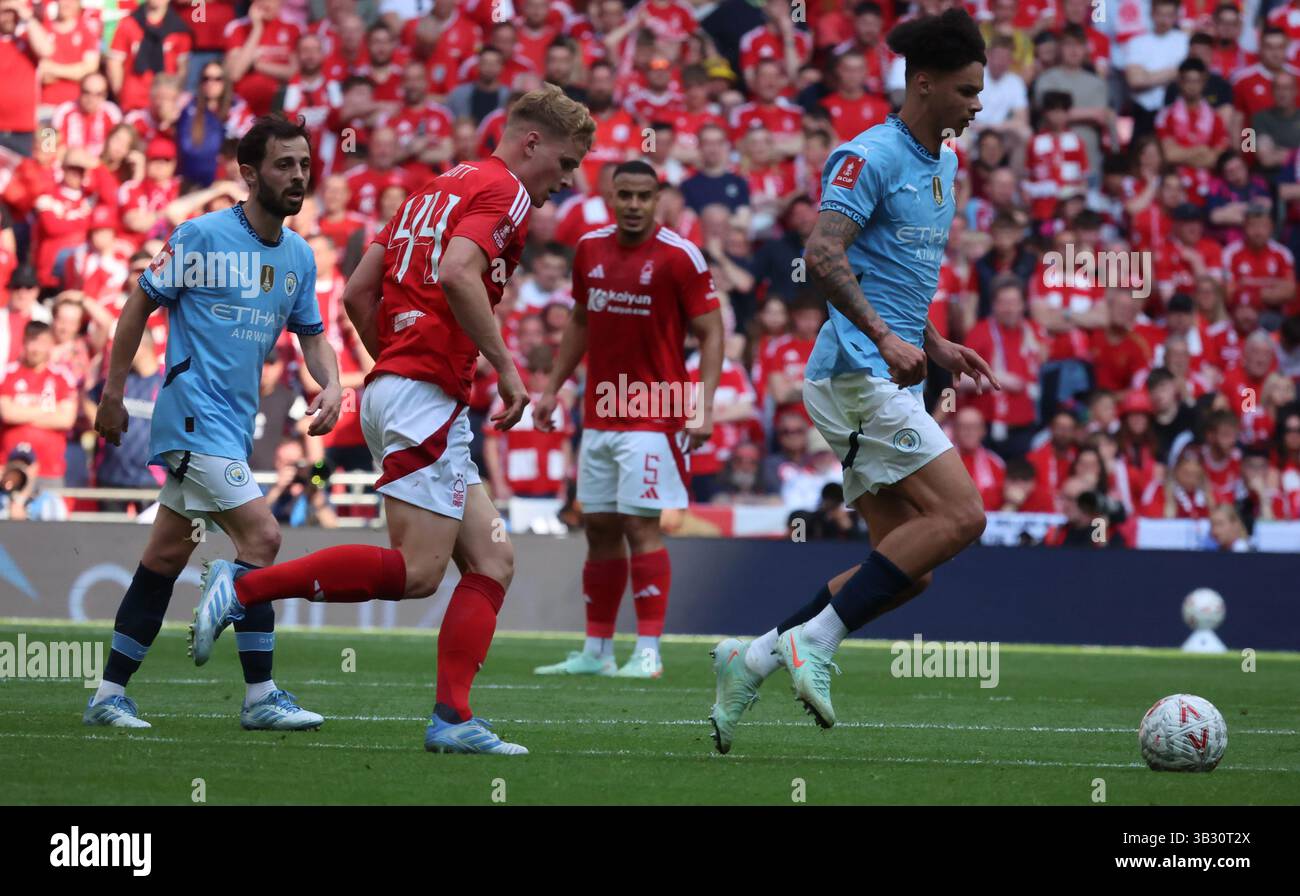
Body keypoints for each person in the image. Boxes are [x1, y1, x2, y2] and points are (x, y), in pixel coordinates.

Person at [188, 84, 596, 755]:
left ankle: (453, 718)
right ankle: (243, 586)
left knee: (492, 558)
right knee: (416, 574)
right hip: (421, 396)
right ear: (532, 144)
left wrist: (401, 364)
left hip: (404, 388)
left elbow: (356, 290)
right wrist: (507, 370)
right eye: (567, 162)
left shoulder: (435, 186)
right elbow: (462, 273)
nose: (567, 179)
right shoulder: (506, 192)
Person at [708, 8, 998, 754]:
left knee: (908, 566)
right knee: (964, 519)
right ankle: (820, 643)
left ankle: (754, 657)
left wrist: (932, 340)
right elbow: (824, 254)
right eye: (966, 90)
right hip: (853, 373)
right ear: (923, 83)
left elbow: (893, 272)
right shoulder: (867, 156)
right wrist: (883, 337)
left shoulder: (946, 163)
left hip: (887, 370)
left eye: (981, 90)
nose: (977, 105)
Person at [87, 114, 342, 730]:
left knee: (163, 561)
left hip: (232, 426)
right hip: (191, 418)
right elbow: (137, 306)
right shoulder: (200, 236)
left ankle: (107, 695)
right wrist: (114, 393)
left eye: (305, 164)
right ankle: (259, 696)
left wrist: (333, 383)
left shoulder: (300, 257)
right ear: (249, 173)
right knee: (263, 540)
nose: (299, 175)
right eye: (285, 164)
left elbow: (313, 336)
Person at [530, 159, 724, 680]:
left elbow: (712, 332)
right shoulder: (590, 248)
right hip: (601, 411)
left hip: (653, 412)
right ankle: (597, 651)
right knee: (598, 526)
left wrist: (701, 404)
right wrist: (552, 389)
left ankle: (648, 652)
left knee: (641, 526)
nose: (634, 205)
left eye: (644, 196)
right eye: (626, 196)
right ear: (610, 198)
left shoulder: (681, 256)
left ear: (658, 198)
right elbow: (579, 321)